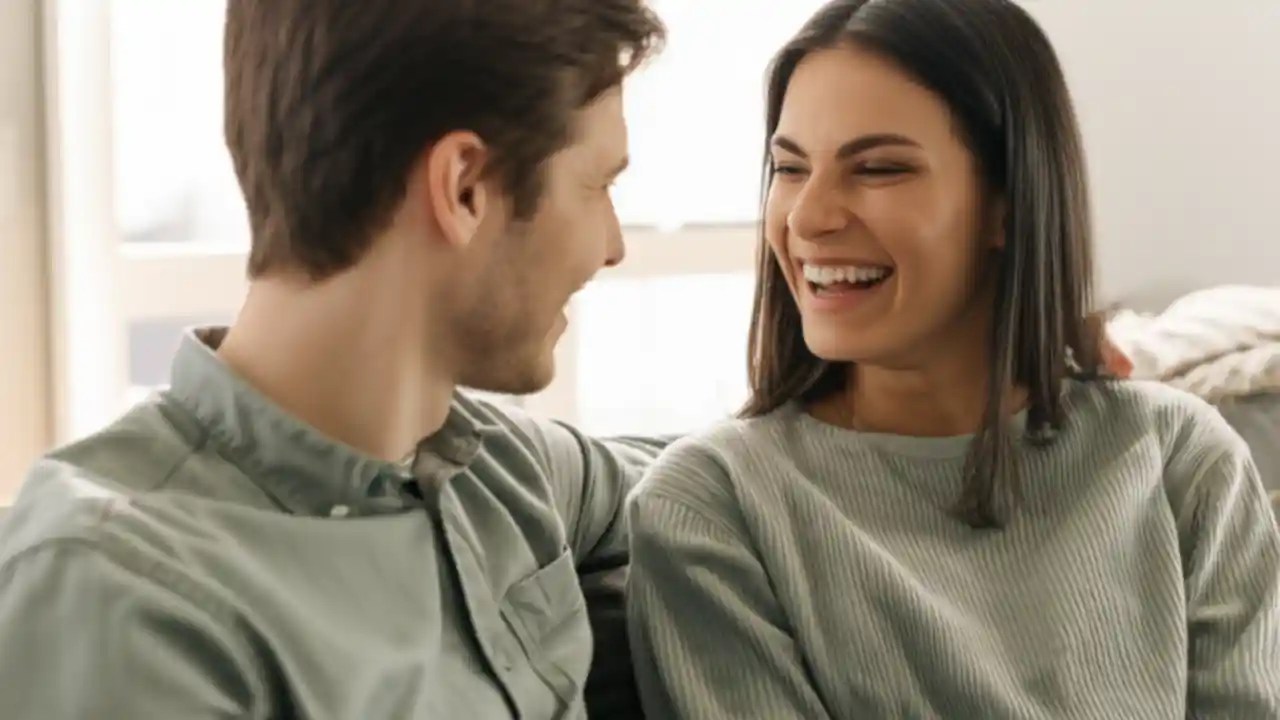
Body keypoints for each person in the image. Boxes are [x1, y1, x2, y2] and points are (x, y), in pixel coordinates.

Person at [0, 1, 667, 718]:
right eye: (599, 186)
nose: (611, 246)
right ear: (465, 187)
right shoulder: (122, 599)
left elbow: (719, 481)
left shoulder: (499, 469)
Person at [626, 0, 1280, 717]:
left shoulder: (1182, 460)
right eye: (789, 168)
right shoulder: (712, 509)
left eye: (876, 169)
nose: (808, 217)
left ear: (1007, 201)